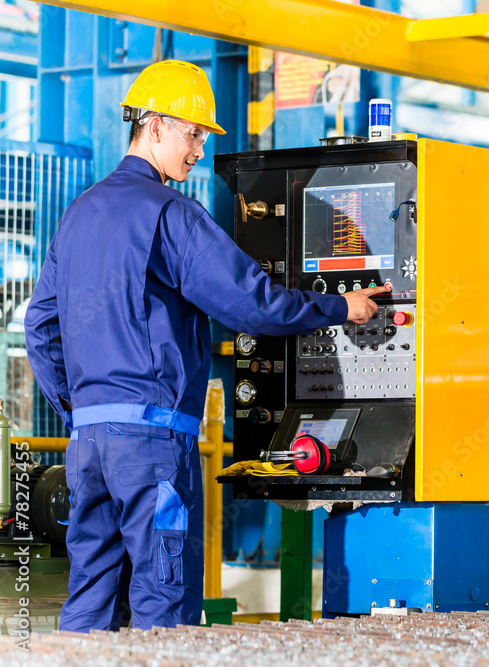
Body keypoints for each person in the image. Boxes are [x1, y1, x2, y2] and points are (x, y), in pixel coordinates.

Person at [24, 60, 386, 632]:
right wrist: (341, 308)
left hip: (88, 445)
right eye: (193, 135)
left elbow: (40, 327)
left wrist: (81, 408)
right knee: (163, 606)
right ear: (155, 127)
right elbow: (252, 303)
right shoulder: (170, 214)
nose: (198, 151)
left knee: (91, 600)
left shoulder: (78, 214)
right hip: (151, 446)